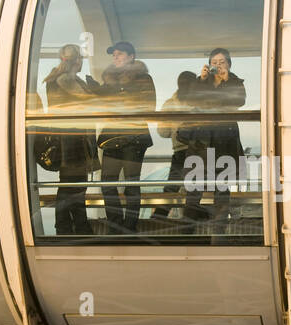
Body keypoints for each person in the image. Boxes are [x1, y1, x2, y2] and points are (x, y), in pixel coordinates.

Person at [91, 40, 156, 233]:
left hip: (134, 137)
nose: (115, 57)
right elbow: (103, 106)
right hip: (112, 136)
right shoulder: (110, 80)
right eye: (114, 54)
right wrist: (96, 90)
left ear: (131, 57)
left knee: (131, 184)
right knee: (107, 183)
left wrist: (119, 96)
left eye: (119, 54)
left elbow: (148, 106)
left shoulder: (144, 78)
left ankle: (130, 226)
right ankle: (115, 224)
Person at [178, 48, 245, 226]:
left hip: (225, 142)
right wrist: (201, 79)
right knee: (193, 189)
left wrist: (227, 81)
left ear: (229, 65)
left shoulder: (235, 82)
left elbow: (239, 101)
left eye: (221, 62)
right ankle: (187, 231)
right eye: (214, 63)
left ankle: (219, 232)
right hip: (201, 142)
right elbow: (191, 100)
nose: (217, 66)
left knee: (222, 190)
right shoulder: (201, 82)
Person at [42, 43, 99, 235]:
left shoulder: (57, 80)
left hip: (66, 138)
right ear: (76, 60)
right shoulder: (66, 81)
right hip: (73, 139)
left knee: (70, 185)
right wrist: (96, 90)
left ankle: (70, 225)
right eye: (81, 58)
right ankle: (73, 227)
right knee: (73, 185)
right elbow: (89, 104)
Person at [151, 71, 200, 221]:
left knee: (172, 186)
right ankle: (192, 221)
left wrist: (174, 130)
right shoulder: (201, 102)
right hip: (199, 150)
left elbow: (162, 131)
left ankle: (158, 219)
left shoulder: (170, 104)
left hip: (180, 150)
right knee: (195, 188)